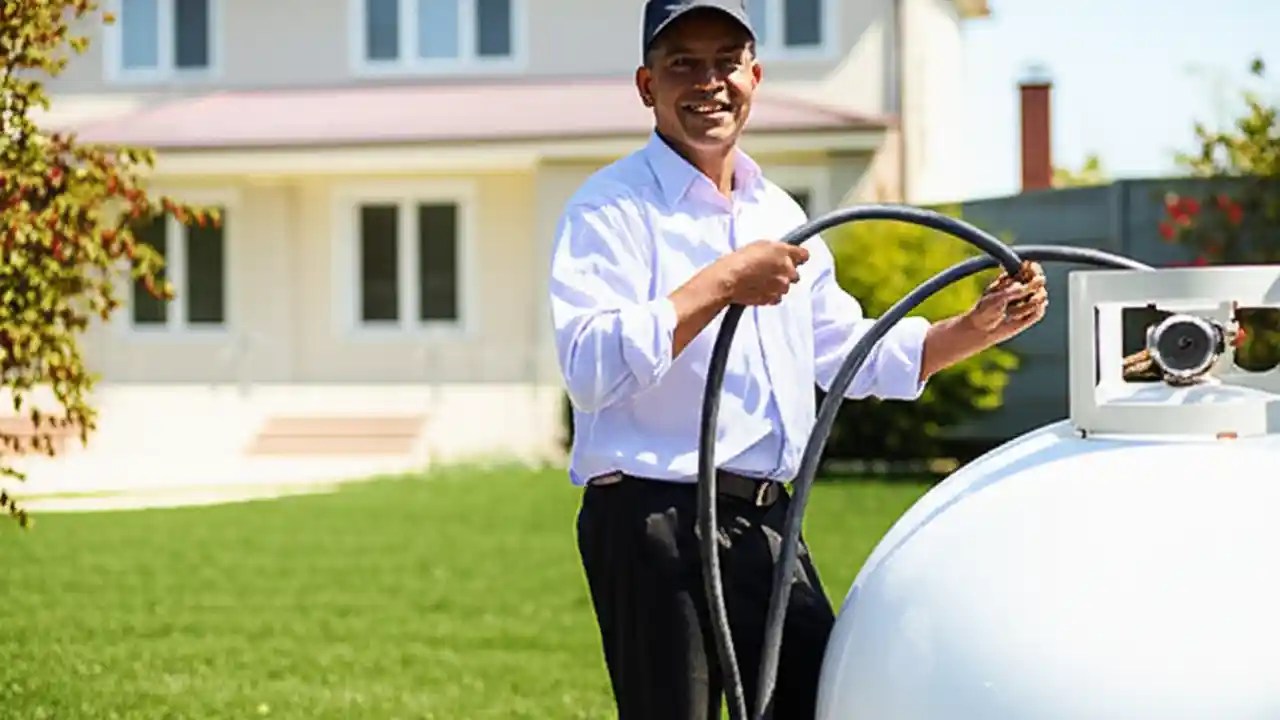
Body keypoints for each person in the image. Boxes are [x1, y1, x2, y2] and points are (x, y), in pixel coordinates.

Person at [547, 1, 1048, 718]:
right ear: (646, 85)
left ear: (755, 75)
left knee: (815, 703)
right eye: (682, 62)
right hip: (652, 523)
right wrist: (723, 282)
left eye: (726, 60)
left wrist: (971, 328)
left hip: (765, 527)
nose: (708, 81)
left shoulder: (776, 211)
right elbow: (590, 369)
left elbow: (845, 353)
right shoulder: (609, 211)